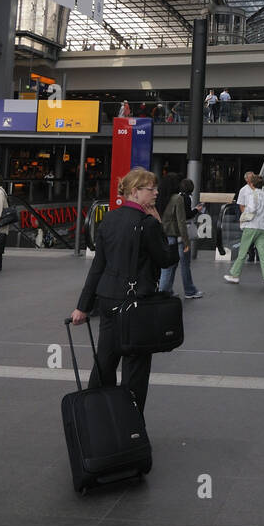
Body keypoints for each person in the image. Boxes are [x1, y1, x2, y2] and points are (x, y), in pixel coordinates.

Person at [70, 168, 179, 414]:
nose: (156, 192)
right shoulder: (148, 223)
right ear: (134, 191)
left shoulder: (110, 218)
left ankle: (96, 415)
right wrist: (161, 225)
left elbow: (98, 266)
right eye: (151, 189)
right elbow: (166, 259)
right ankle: (129, 421)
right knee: (136, 367)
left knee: (105, 361)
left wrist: (83, 306)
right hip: (137, 303)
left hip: (108, 299)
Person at [225, 172, 264, 286]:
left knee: (243, 252)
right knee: (263, 253)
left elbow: (251, 209)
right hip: (263, 227)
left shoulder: (254, 195)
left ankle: (235, 275)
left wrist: (243, 218)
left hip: (252, 227)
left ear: (252, 183)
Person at [157, 173, 193, 295]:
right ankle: (163, 292)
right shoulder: (177, 199)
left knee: (165, 266)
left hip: (160, 234)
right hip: (172, 235)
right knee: (170, 266)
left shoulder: (159, 197)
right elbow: (181, 221)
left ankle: (167, 290)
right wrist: (186, 241)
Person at [178, 179, 204, 298]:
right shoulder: (187, 198)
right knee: (185, 263)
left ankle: (166, 289)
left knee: (173, 265)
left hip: (175, 231)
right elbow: (187, 215)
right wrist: (196, 210)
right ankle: (189, 290)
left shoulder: (177, 197)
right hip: (184, 232)